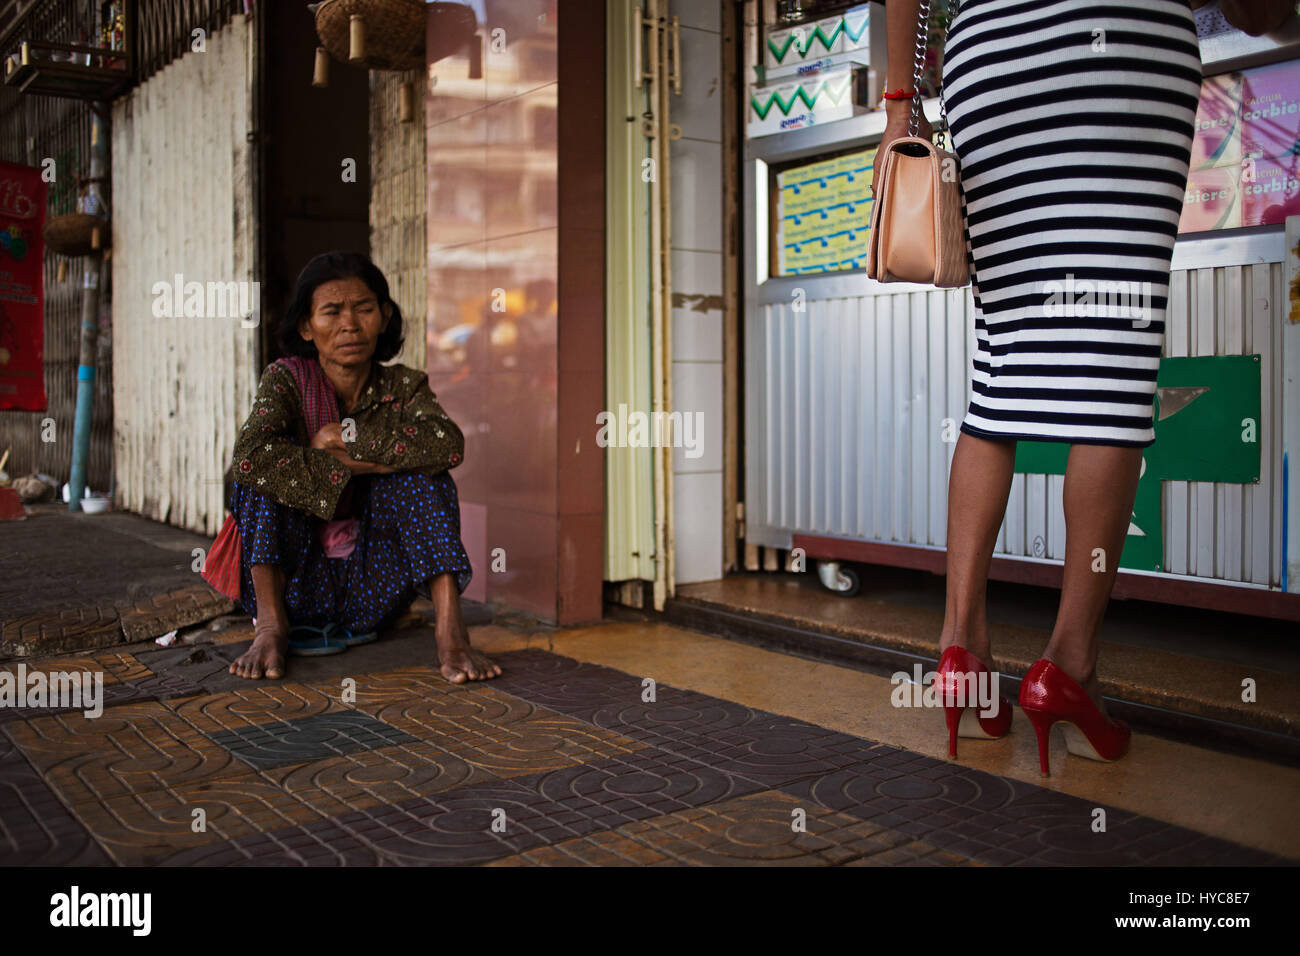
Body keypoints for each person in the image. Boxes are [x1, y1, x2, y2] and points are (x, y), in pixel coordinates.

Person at [876, 0, 1201, 772]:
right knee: (1111, 380)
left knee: (1000, 368)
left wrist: (898, 106)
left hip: (997, 62)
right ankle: (1069, 667)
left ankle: (961, 649)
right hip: (1127, 47)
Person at [225, 251, 501, 685]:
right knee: (260, 484)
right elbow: (249, 457)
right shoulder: (286, 380)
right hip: (297, 584)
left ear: (384, 315)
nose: (350, 325)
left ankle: (452, 635)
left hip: (374, 587)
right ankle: (270, 629)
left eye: (365, 309)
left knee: (425, 481)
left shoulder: (403, 386)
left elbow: (447, 445)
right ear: (306, 326)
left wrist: (344, 442)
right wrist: (364, 467)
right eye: (331, 312)